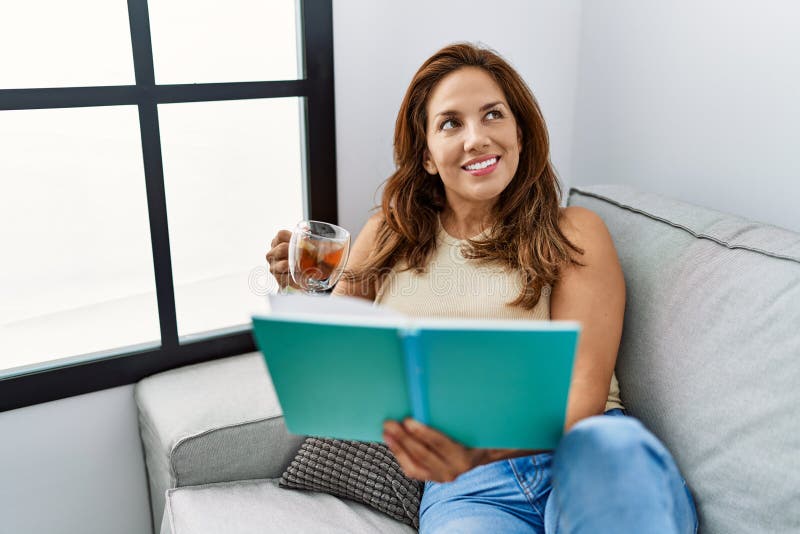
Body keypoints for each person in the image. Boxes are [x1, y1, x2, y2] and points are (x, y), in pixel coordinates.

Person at [266, 43, 697, 533]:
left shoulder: (574, 230)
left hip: (589, 453)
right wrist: (298, 290)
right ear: (426, 154)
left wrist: (482, 444)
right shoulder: (387, 233)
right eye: (451, 123)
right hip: (468, 486)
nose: (477, 138)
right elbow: (336, 357)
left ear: (519, 131)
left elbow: (583, 388)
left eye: (493, 115)